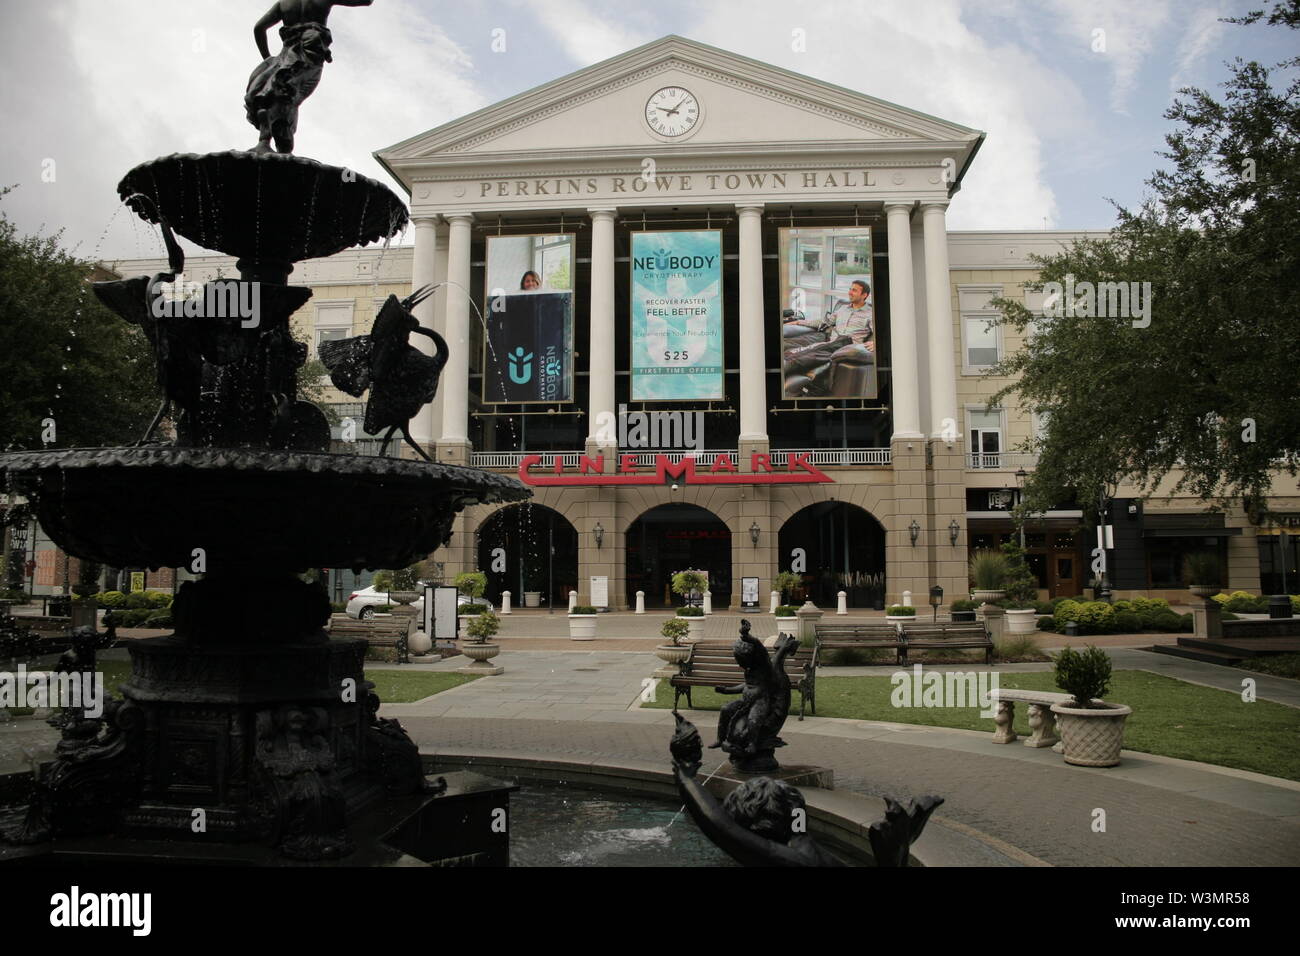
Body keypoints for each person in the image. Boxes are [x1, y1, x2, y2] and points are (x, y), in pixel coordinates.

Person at [245, 0, 375, 154]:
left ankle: (267, 142)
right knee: (286, 94)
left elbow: (259, 28)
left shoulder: (284, 3)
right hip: (309, 54)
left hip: (286, 57)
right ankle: (280, 147)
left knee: (273, 92)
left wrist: (268, 59)